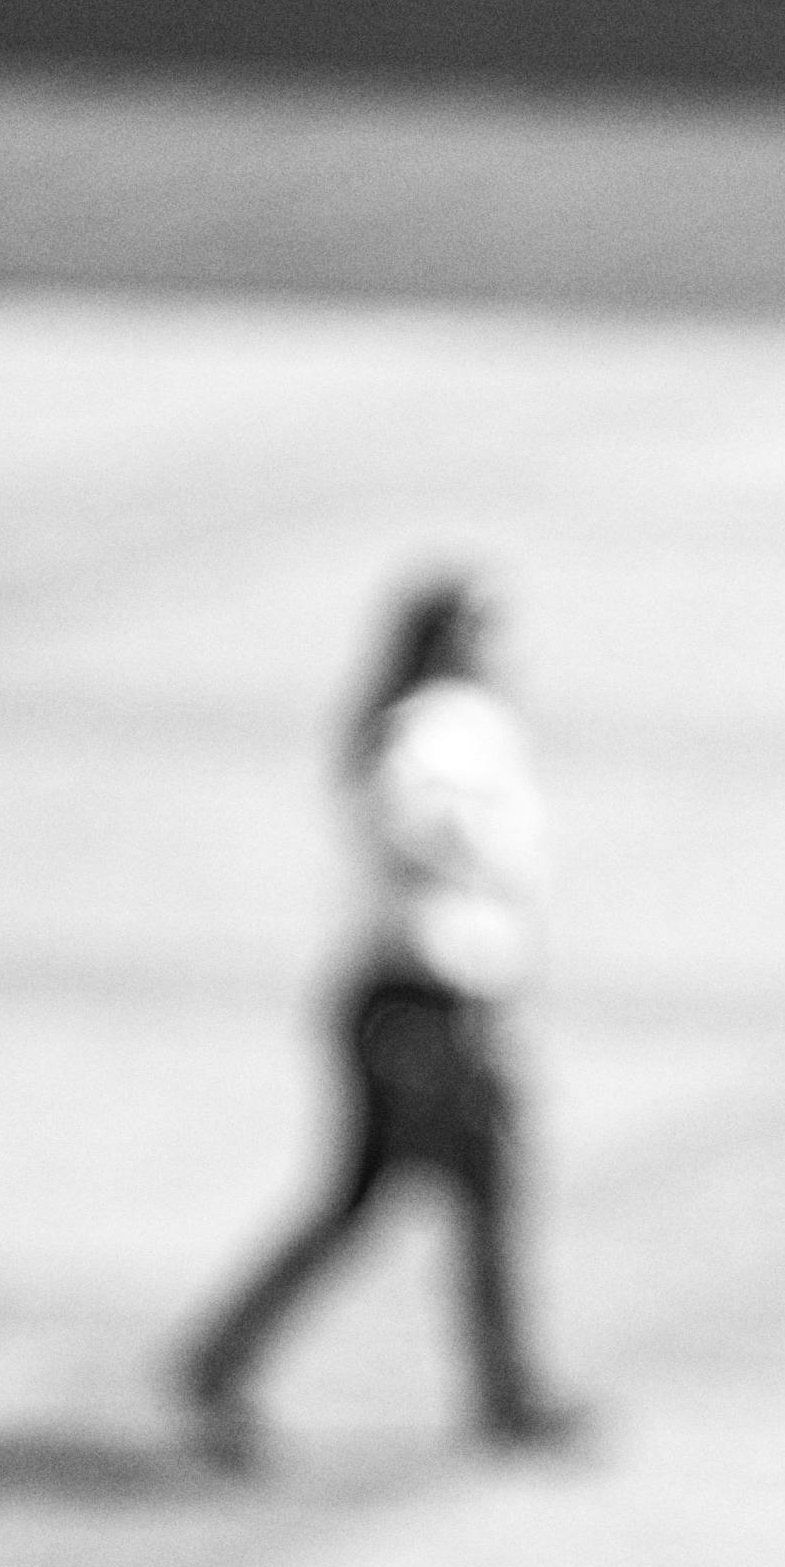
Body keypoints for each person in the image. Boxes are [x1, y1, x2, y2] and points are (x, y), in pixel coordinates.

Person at [181, 574, 577, 1469]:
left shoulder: (423, 720)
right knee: (426, 1199)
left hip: (417, 1000)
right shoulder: (443, 724)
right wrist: (473, 843)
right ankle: (503, 1395)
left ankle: (225, 1360)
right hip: (426, 1006)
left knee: (409, 1200)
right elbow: (421, 819)